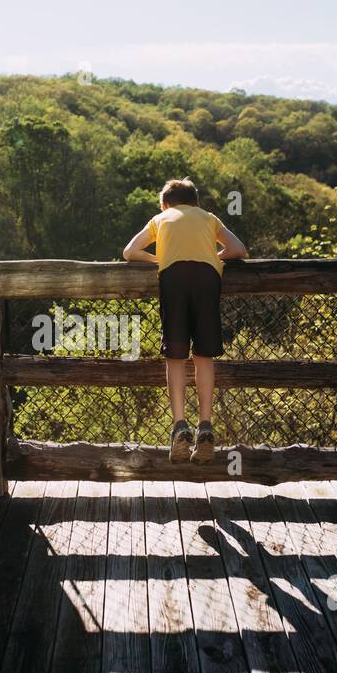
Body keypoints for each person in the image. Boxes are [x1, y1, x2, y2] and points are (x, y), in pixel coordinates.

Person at [123, 178, 248, 462]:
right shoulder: (209, 217)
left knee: (175, 356)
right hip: (206, 278)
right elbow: (238, 249)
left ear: (165, 204)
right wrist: (212, 255)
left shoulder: (160, 218)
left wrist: (161, 258)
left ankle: (180, 426)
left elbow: (129, 252)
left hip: (173, 279)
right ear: (196, 203)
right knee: (204, 355)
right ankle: (205, 426)